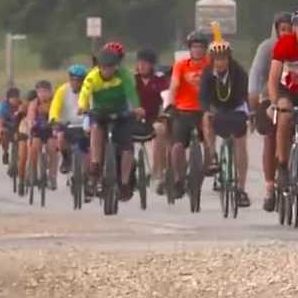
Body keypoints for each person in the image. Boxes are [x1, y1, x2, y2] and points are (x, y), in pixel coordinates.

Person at [79, 42, 142, 200]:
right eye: (105, 67)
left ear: (116, 66)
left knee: (127, 148)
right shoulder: (92, 77)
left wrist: (137, 107)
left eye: (111, 67)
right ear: (99, 67)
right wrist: (82, 106)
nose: (108, 71)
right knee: (95, 128)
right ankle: (95, 164)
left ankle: (125, 182)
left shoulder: (124, 74)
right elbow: (85, 93)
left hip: (121, 113)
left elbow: (131, 92)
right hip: (100, 113)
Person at [268, 8, 298, 211]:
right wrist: (274, 102)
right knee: (285, 117)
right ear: (294, 28)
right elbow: (273, 78)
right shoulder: (285, 44)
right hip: (286, 90)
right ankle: (283, 165)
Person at [250, 12, 294, 211]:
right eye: (283, 29)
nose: (287, 33)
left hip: (296, 97)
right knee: (270, 136)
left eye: (290, 29)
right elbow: (255, 76)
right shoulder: (267, 48)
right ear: (276, 30)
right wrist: (253, 99)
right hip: (269, 97)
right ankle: (269, 186)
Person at [199, 40, 251, 207]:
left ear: (229, 58)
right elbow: (203, 98)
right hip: (217, 109)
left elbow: (243, 95)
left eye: (223, 58)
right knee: (206, 117)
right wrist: (209, 110)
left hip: (235, 108)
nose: (220, 62)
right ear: (212, 60)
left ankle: (241, 189)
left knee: (240, 143)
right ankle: (213, 156)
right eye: (217, 59)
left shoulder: (239, 72)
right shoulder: (207, 73)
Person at [165, 31, 211, 198]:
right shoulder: (181, 65)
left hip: (204, 112)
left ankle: (205, 171)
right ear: (189, 49)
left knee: (209, 146)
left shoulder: (210, 65)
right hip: (183, 111)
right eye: (194, 47)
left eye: (201, 47)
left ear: (205, 49)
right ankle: (179, 179)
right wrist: (171, 104)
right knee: (177, 146)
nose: (197, 50)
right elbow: (174, 85)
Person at [133, 48, 170, 194]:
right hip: (134, 118)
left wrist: (163, 113)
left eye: (145, 63)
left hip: (153, 118)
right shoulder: (132, 80)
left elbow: (166, 98)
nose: (141, 66)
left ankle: (157, 171)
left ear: (152, 65)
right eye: (139, 62)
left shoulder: (160, 80)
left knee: (160, 129)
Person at [51, 64, 89, 174]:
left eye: (79, 80)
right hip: (67, 125)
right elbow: (54, 108)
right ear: (70, 79)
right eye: (73, 80)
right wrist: (54, 119)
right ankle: (66, 159)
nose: (76, 83)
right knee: (60, 137)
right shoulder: (62, 90)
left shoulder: (88, 90)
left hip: (85, 125)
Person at [27, 80, 58, 190]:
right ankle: (33, 173)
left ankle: (52, 177)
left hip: (50, 130)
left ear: (50, 92)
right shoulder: (34, 103)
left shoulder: (54, 102)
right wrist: (31, 125)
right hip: (38, 129)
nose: (43, 94)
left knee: (53, 149)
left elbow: (59, 115)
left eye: (45, 91)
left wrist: (57, 127)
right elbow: (30, 116)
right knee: (34, 147)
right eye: (40, 92)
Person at [0, 87, 23, 165]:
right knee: (4, 135)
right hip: (6, 126)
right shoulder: (3, 106)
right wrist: (0, 129)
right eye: (13, 98)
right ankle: (5, 152)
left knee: (20, 139)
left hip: (18, 126)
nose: (15, 100)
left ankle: (17, 158)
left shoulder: (21, 105)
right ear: (8, 99)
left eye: (17, 97)